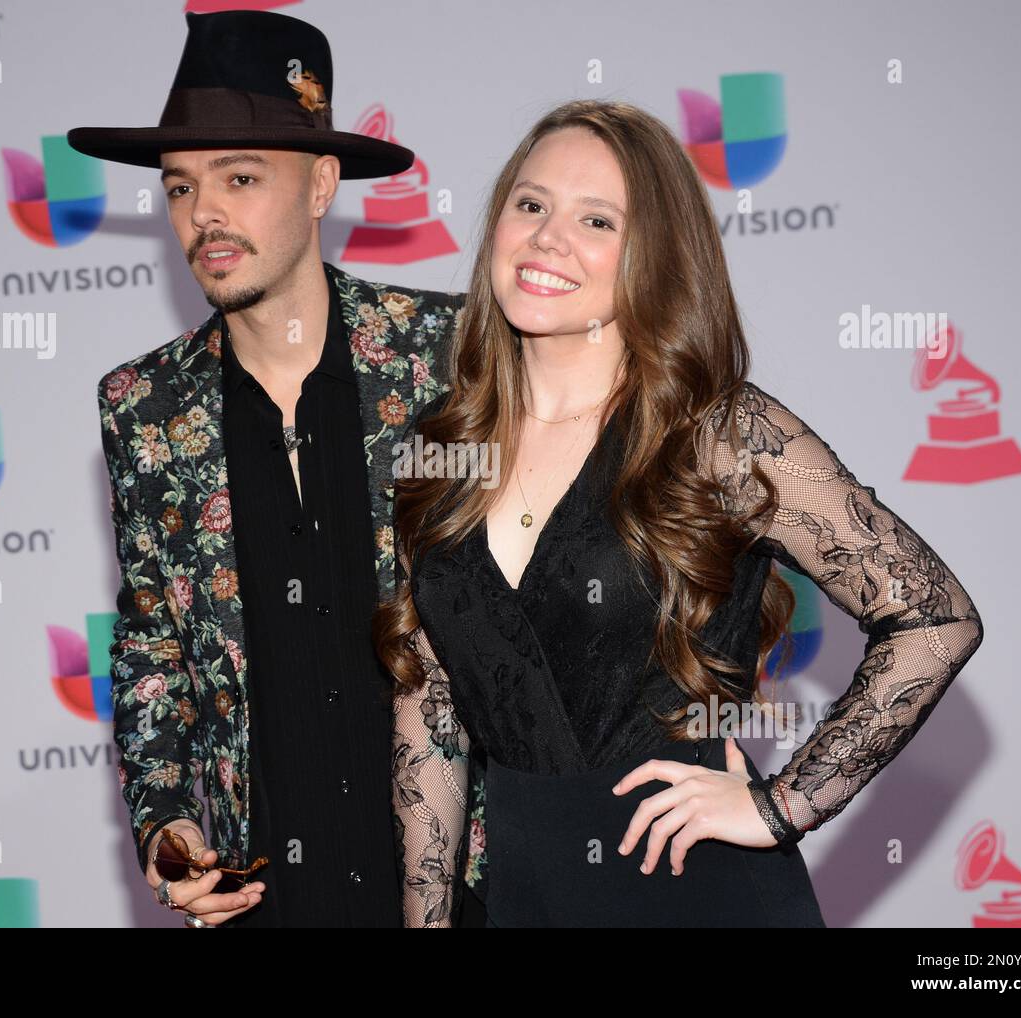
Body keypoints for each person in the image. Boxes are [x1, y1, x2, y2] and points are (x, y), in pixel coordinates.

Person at [374, 98, 986, 927]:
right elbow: (433, 708)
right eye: (530, 205)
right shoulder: (442, 451)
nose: (548, 238)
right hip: (527, 896)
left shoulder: (719, 436)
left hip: (700, 895)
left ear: (653, 258)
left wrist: (783, 806)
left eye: (597, 220)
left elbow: (935, 618)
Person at [72, 9, 486, 927]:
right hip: (268, 896)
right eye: (180, 189)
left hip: (461, 885)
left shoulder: (446, 354)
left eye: (241, 177)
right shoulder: (142, 408)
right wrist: (165, 823)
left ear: (321, 185)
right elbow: (152, 651)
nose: (205, 214)